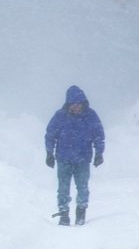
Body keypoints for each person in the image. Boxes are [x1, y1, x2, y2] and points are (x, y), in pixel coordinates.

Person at [44, 85, 105, 225]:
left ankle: (81, 213)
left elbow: (99, 136)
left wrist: (99, 153)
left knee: (82, 187)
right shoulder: (60, 116)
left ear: (83, 103)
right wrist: (49, 153)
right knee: (63, 189)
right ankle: (64, 214)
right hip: (63, 159)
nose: (77, 106)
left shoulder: (91, 116)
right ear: (68, 103)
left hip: (83, 159)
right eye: (73, 104)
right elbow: (50, 135)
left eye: (79, 103)